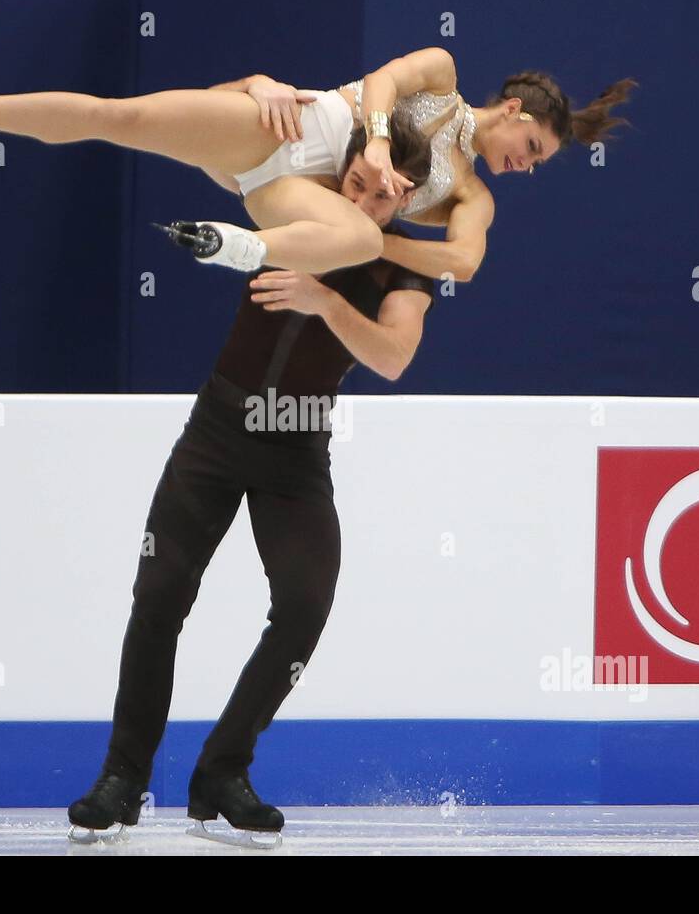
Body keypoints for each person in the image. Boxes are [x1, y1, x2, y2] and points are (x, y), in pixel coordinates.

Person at [66, 113, 435, 847]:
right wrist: (256, 89)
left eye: (379, 197)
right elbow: (208, 137)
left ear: (406, 199)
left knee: (305, 603)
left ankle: (222, 771)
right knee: (161, 593)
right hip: (220, 428)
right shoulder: (290, 195)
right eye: (354, 182)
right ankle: (122, 777)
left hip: (297, 448)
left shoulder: (406, 262)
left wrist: (325, 300)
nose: (360, 202)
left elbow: (394, 357)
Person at [0, 50, 634, 281]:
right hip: (291, 124)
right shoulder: (442, 72)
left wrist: (366, 221)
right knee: (121, 117)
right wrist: (370, 142)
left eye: (536, 164)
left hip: (296, 201)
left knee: (365, 245)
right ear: (515, 112)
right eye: (531, 150)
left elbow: (463, 264)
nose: (524, 166)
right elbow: (382, 85)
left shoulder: (469, 195)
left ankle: (243, 251)